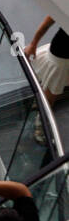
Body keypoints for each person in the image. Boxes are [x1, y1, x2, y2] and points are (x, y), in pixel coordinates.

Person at [23, 16, 69, 144]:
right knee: (52, 92)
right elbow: (50, 20)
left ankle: (39, 105)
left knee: (53, 86)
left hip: (63, 53)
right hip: (61, 55)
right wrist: (33, 43)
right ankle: (40, 123)